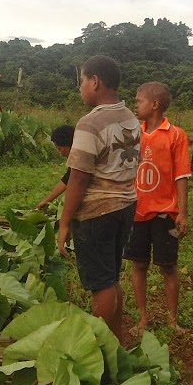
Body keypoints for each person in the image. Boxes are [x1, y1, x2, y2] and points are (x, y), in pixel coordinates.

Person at [57, 55, 141, 338]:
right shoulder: (130, 117)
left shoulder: (90, 123)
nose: (80, 87)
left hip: (97, 213)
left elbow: (78, 177)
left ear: (95, 81)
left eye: (82, 81)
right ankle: (116, 342)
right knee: (111, 278)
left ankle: (103, 348)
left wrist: (65, 222)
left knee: (101, 285)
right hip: (125, 206)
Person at [124, 82, 190, 336]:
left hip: (165, 213)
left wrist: (182, 212)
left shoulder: (176, 135)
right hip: (137, 212)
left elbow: (181, 175)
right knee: (138, 265)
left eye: (139, 101)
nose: (135, 105)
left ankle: (172, 320)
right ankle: (143, 318)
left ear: (154, 104)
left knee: (168, 266)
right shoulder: (133, 135)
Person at [36, 125, 74, 210]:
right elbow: (67, 178)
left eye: (60, 149)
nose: (60, 154)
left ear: (69, 145)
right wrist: (46, 201)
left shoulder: (83, 159)